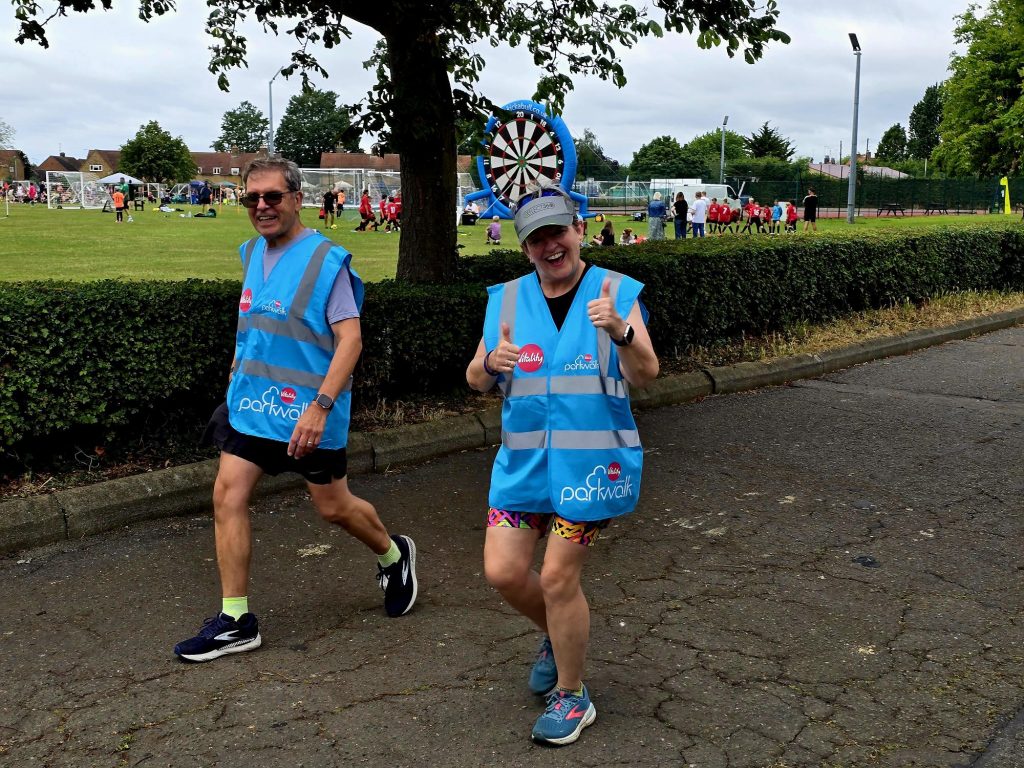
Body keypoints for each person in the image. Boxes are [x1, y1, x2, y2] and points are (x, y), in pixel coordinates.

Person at [173, 157, 418, 663]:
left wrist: (320, 407)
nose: (261, 206)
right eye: (251, 198)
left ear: (297, 198)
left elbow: (350, 341)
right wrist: (236, 367)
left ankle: (394, 556)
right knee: (227, 494)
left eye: (272, 197)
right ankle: (236, 619)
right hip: (251, 407)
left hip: (307, 414)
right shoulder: (250, 253)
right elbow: (256, 323)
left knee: (334, 509)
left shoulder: (328, 261)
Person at [466, 182, 659, 747]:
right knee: (502, 572)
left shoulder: (615, 291)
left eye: (558, 231)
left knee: (556, 577)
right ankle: (557, 635)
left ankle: (573, 695)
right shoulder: (504, 300)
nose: (550, 245)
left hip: (592, 466)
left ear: (578, 229)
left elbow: (646, 373)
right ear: (524, 247)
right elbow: (476, 378)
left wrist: (621, 333)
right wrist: (489, 366)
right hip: (522, 465)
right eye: (536, 238)